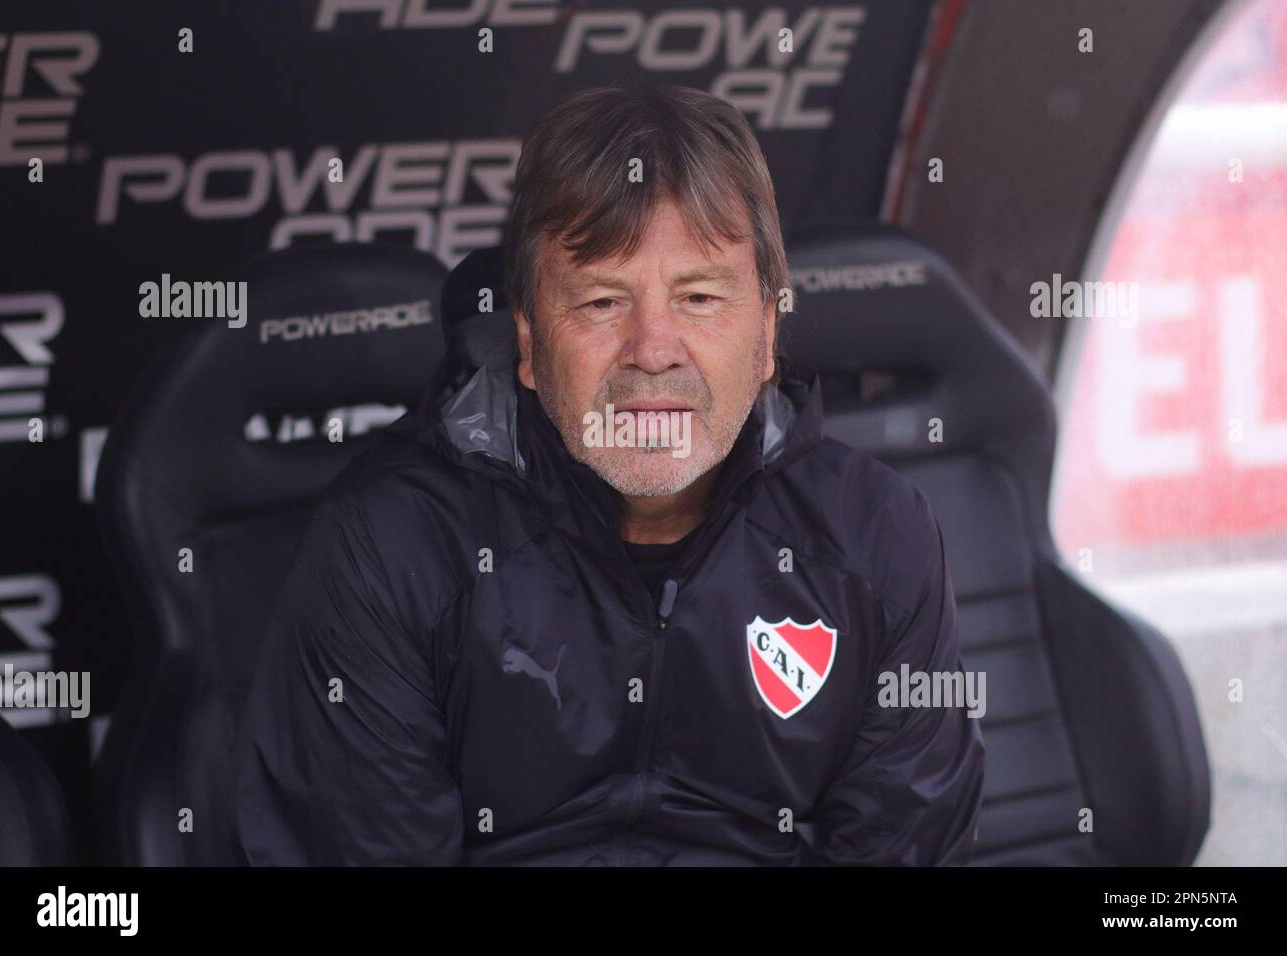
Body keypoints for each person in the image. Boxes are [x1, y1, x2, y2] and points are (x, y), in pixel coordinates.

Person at [231, 82, 984, 866]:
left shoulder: (875, 538)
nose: (652, 349)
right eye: (598, 302)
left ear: (766, 332)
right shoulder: (393, 541)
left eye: (698, 296)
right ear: (527, 338)